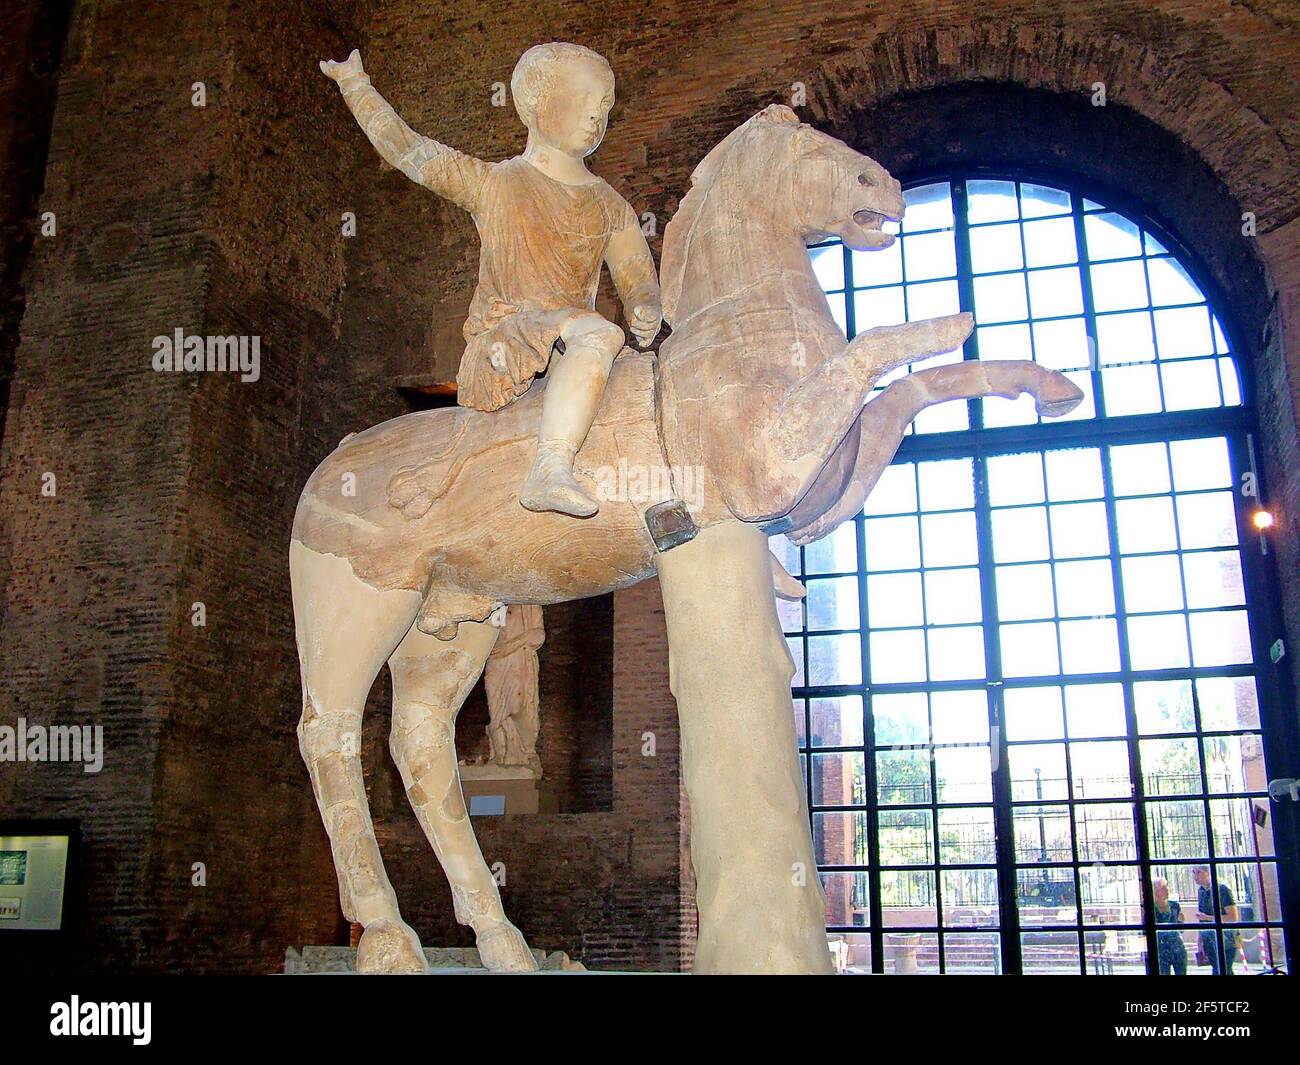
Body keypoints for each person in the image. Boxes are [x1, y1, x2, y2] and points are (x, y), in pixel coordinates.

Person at [321, 43, 662, 517]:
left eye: (604, 104)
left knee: (651, 387)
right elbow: (410, 150)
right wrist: (357, 86)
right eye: (582, 97)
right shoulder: (496, 183)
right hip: (506, 341)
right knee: (600, 331)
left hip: (571, 345)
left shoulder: (610, 206)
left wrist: (646, 305)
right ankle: (550, 468)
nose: (594, 114)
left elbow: (635, 274)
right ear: (535, 102)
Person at [1192, 865, 1239, 974]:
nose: (1195, 876)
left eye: (1198, 872)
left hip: (1225, 940)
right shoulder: (1201, 891)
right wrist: (1200, 940)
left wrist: (1208, 918)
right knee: (1218, 969)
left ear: (1208, 873)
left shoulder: (1222, 890)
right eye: (1193, 873)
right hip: (1209, 940)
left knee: (1223, 969)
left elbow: (1233, 917)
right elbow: (1201, 918)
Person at [1152, 877, 1187, 975]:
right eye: (1163, 887)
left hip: (1177, 947)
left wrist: (1181, 922)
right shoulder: (1151, 908)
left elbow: (1180, 929)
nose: (1167, 889)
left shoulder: (1175, 906)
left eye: (1166, 886)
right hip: (1160, 950)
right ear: (1155, 891)